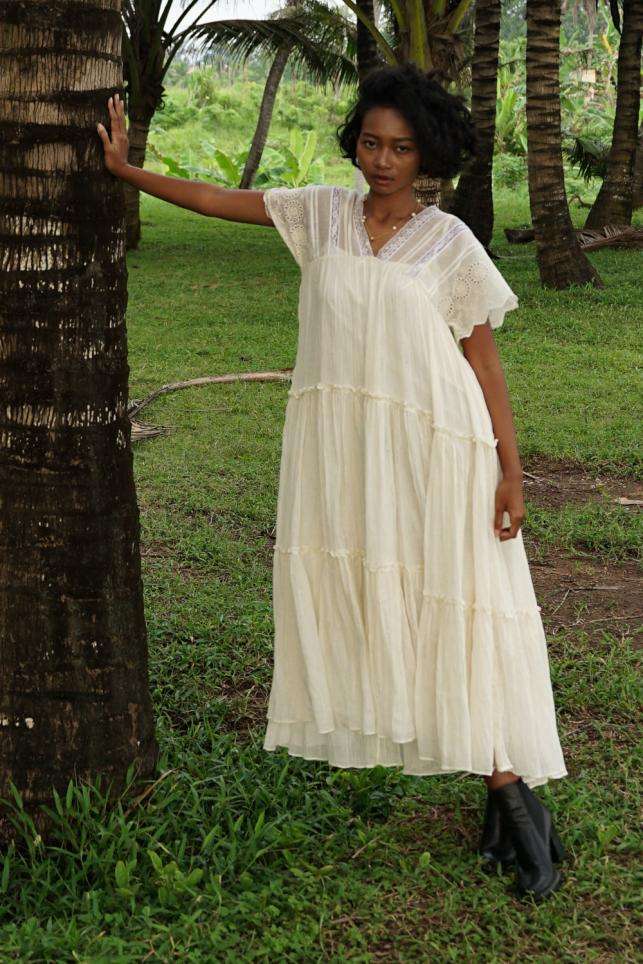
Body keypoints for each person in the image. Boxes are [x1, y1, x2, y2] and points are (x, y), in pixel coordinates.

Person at [97, 62, 568, 902]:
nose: (381, 161)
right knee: (393, 603)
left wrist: (510, 471)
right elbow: (214, 199)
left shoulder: (448, 243)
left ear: (426, 154)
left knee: (458, 605)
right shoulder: (319, 215)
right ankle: (507, 802)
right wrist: (127, 171)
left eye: (400, 148)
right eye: (370, 143)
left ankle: (516, 803)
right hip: (347, 455)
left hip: (438, 447)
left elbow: (483, 364)